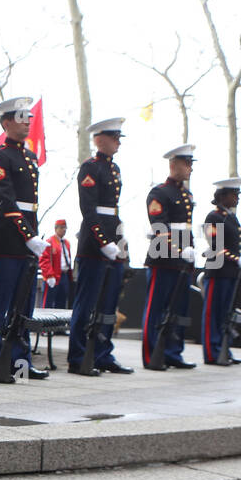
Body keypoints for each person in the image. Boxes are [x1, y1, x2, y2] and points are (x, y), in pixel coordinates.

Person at [0, 96, 51, 383]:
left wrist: (33, 236)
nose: (27, 122)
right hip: (9, 238)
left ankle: (20, 364)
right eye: (21, 118)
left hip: (28, 237)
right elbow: (7, 200)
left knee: (23, 308)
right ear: (7, 122)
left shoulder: (30, 156)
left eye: (28, 118)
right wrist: (28, 236)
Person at [67, 118, 133, 375]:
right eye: (113, 137)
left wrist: (117, 242)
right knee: (87, 302)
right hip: (94, 244)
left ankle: (103, 354)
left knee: (108, 305)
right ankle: (78, 357)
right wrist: (103, 242)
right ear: (99, 139)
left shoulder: (114, 169)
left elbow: (112, 211)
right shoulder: (90, 168)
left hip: (113, 237)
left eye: (118, 137)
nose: (118, 142)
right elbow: (89, 210)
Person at [142, 144, 199, 369]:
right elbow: (160, 227)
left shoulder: (186, 194)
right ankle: (151, 355)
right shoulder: (159, 193)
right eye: (187, 164)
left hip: (183, 260)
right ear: (173, 164)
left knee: (178, 310)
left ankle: (174, 352)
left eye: (191, 164)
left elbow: (186, 227)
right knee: (156, 309)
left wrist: (190, 252)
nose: (190, 168)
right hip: (163, 258)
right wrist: (177, 250)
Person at [203, 178, 241, 365]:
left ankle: (224, 349)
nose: (237, 198)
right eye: (234, 194)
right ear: (223, 196)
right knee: (214, 313)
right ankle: (212, 352)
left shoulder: (231, 217)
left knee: (226, 314)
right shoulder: (213, 217)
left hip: (230, 272)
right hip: (217, 270)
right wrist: (237, 259)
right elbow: (215, 246)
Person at [38, 219, 72, 309]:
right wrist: (49, 275)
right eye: (61, 228)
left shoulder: (67, 243)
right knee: (48, 301)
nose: (63, 230)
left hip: (64, 275)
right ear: (56, 229)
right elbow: (44, 260)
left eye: (65, 228)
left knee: (62, 301)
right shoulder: (49, 242)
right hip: (53, 275)